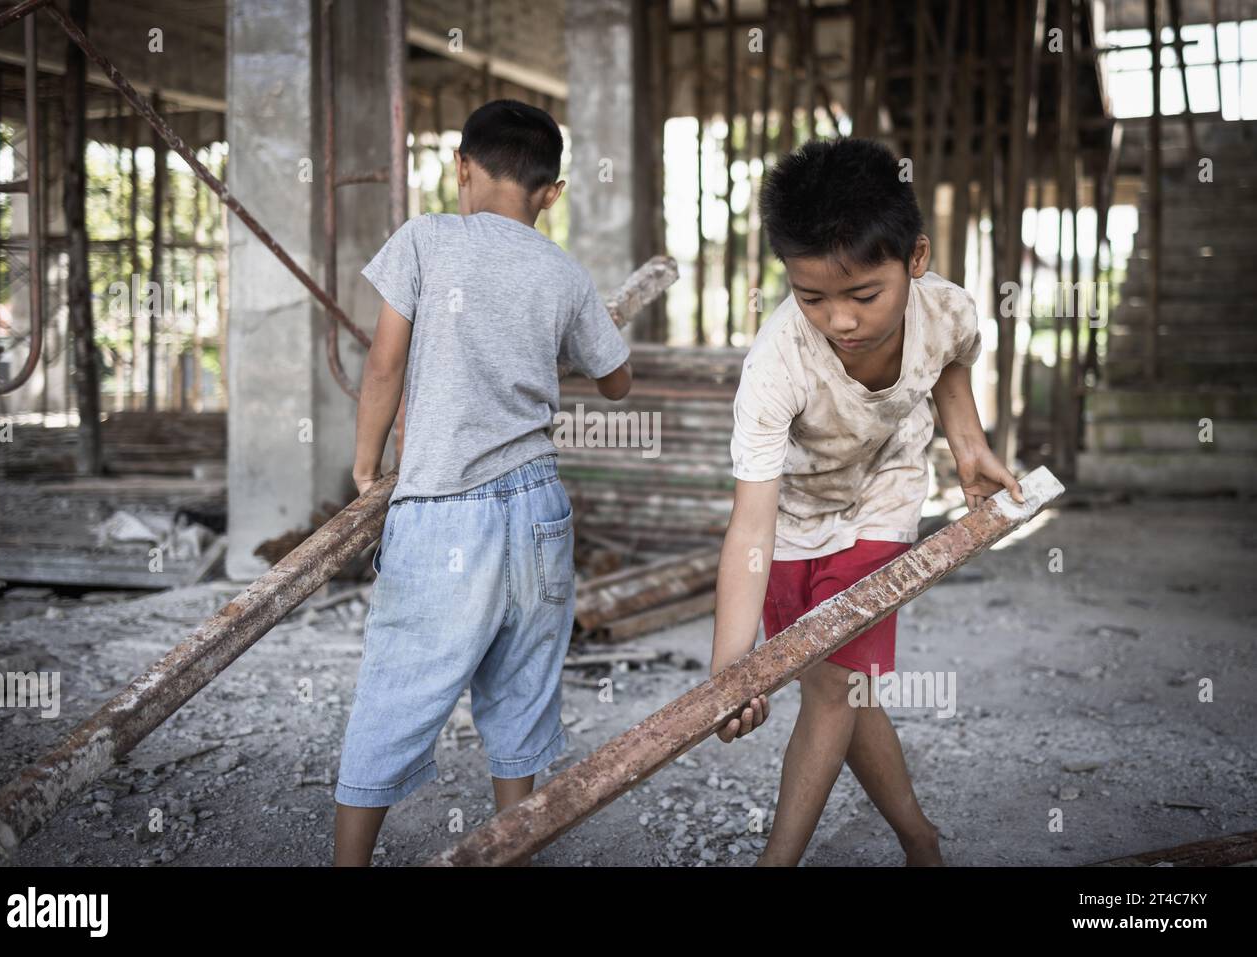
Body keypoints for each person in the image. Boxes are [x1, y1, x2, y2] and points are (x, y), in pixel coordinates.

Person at [709, 136, 1024, 867]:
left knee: (832, 686)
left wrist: (966, 442)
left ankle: (774, 862)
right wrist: (734, 664)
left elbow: (947, 359)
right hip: (791, 519)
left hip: (883, 495)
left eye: (862, 295)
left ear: (914, 259)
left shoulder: (947, 308)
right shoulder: (776, 364)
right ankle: (919, 837)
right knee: (844, 688)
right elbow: (750, 523)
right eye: (812, 296)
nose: (840, 321)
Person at [333, 99, 632, 866]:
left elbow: (383, 363)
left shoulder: (427, 239)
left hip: (442, 508)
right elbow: (618, 380)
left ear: (461, 166)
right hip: (537, 509)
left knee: (398, 691)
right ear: (551, 194)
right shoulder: (565, 272)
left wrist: (366, 466)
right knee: (521, 692)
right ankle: (513, 850)